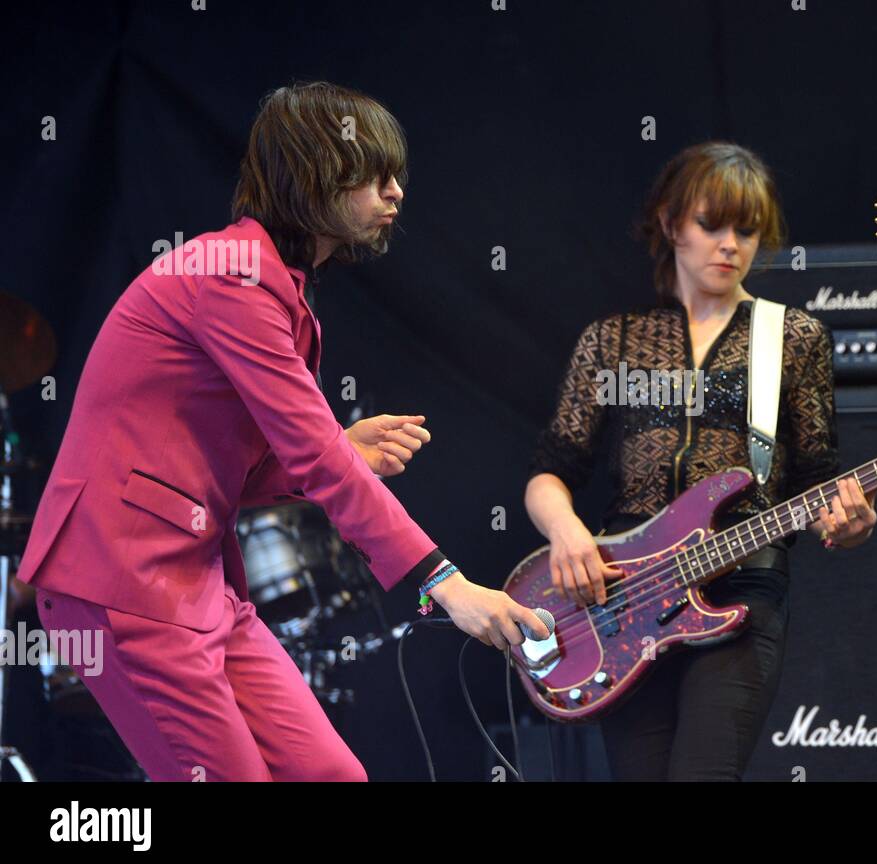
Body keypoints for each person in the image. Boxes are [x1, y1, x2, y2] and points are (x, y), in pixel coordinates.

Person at [17, 81, 547, 782]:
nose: (396, 192)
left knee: (334, 774)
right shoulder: (233, 277)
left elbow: (261, 464)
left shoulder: (269, 283)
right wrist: (445, 583)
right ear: (313, 176)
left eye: (396, 176)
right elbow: (317, 456)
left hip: (194, 578)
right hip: (121, 579)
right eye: (374, 175)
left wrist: (339, 450)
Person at [524, 142, 877, 781]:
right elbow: (552, 470)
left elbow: (819, 480)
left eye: (747, 231)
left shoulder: (792, 337)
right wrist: (566, 531)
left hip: (742, 586)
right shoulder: (613, 340)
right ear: (670, 223)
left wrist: (847, 523)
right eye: (711, 225)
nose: (730, 245)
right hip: (622, 599)